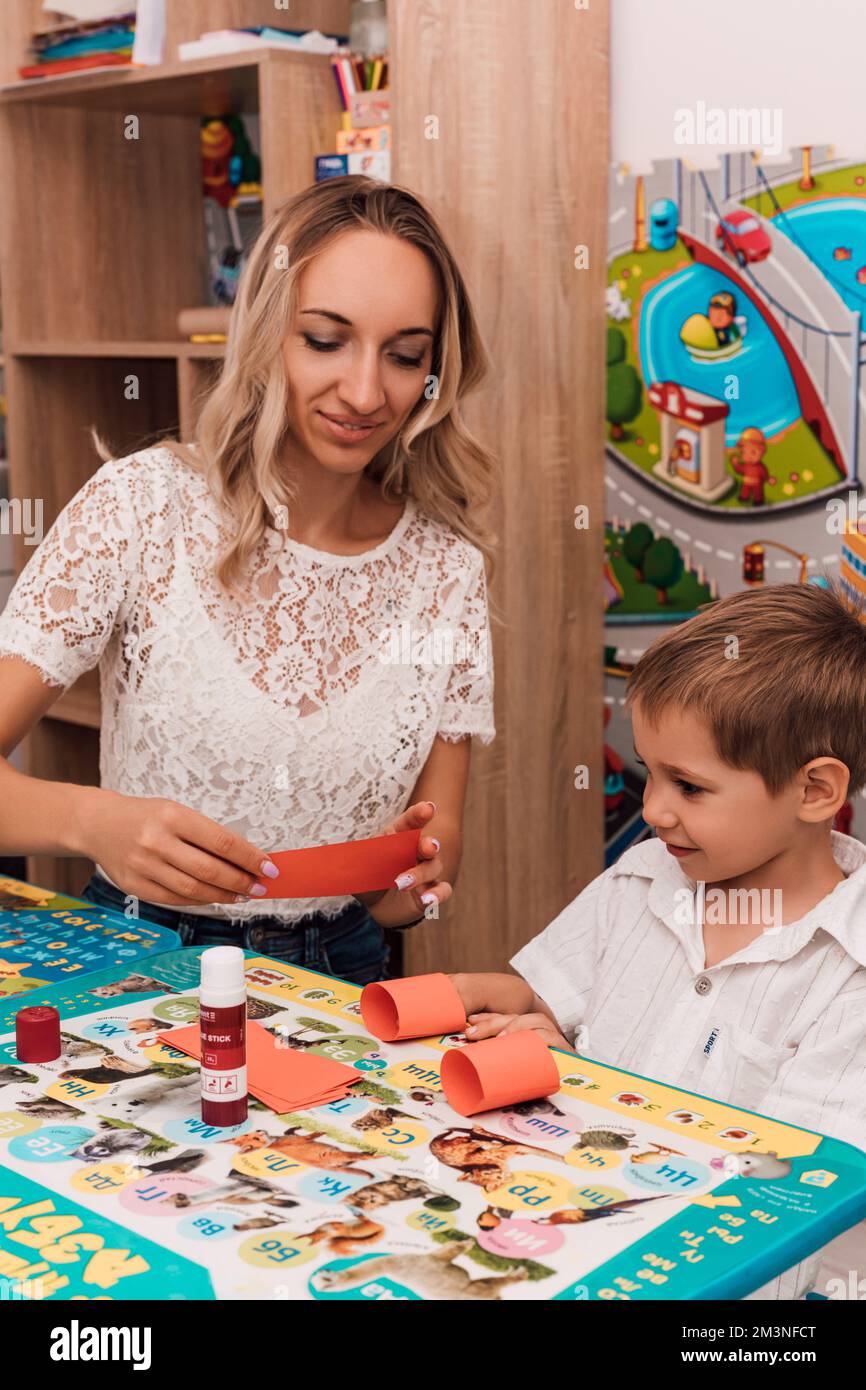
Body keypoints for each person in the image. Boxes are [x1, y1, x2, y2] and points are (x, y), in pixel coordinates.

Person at [0, 177, 496, 985]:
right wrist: (93, 822)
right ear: (268, 333)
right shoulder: (144, 506)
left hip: (343, 975)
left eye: (405, 356)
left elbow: (410, 894)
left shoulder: (448, 573)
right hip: (137, 959)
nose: (367, 392)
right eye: (326, 340)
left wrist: (411, 880)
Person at [450, 582, 866, 1300]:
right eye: (649, 773)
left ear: (815, 792)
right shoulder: (643, 878)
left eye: (690, 787)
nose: (653, 811)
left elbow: (785, 1194)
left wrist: (576, 1081)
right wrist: (455, 1002)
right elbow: (537, 995)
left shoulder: (849, 973)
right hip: (567, 1240)